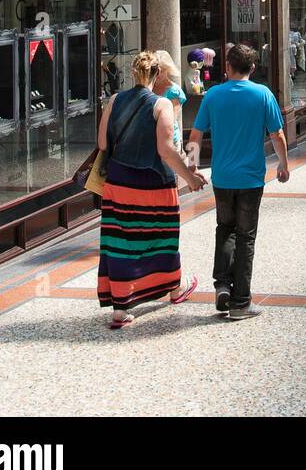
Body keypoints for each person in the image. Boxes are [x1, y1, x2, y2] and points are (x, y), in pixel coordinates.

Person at [97, 51, 205, 330]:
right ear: (157, 76)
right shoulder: (162, 105)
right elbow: (166, 150)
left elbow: (102, 144)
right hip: (154, 186)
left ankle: (120, 310)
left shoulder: (114, 100)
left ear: (133, 73)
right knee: (162, 238)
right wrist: (190, 178)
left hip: (118, 185)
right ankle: (174, 289)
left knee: (120, 243)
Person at [187, 43, 288, 321]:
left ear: (227, 67)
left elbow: (195, 136)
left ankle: (222, 284)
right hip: (251, 179)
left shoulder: (214, 96)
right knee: (246, 237)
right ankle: (240, 302)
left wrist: (192, 167)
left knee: (224, 229)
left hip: (222, 178)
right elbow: (277, 135)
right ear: (252, 68)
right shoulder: (263, 94)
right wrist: (284, 164)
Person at [153, 50, 186, 150]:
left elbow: (171, 120)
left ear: (168, 69)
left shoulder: (174, 91)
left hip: (169, 141)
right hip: (151, 140)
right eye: (155, 70)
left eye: (161, 70)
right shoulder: (148, 88)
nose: (158, 74)